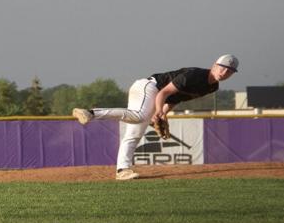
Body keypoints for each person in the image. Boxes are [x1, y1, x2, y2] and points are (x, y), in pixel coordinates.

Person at [73, 54, 238, 180]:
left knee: (134, 134)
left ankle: (122, 170)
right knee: (138, 116)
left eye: (229, 71)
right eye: (222, 67)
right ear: (214, 65)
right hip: (149, 87)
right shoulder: (195, 75)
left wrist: (163, 113)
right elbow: (164, 92)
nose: (225, 72)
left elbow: (177, 98)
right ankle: (91, 113)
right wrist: (158, 111)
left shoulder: (212, 87)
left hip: (157, 95)